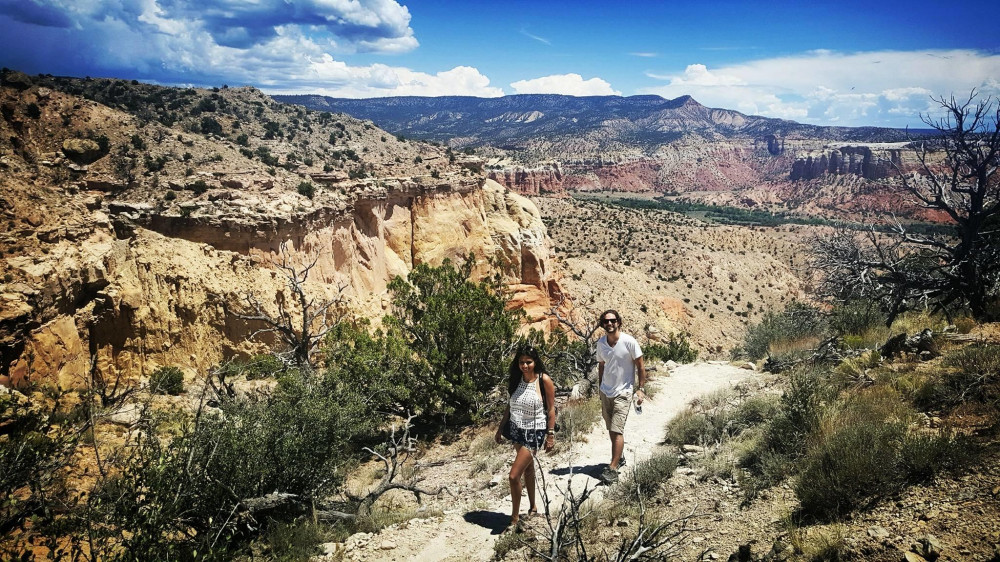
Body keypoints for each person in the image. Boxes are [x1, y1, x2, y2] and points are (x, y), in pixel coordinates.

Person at [495, 346, 556, 532]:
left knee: (514, 475)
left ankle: (514, 519)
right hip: (516, 429)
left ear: (535, 361)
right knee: (528, 470)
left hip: (534, 432)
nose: (525, 366)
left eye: (528, 362)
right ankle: (533, 507)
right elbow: (509, 405)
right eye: (521, 362)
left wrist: (550, 434)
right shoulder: (516, 380)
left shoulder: (543, 380)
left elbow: (551, 409)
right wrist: (500, 428)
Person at [595, 309, 646, 484]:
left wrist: (641, 389)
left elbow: (640, 366)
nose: (610, 324)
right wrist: (600, 387)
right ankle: (620, 457)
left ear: (619, 322)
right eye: (606, 321)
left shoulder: (629, 342)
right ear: (603, 324)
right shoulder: (601, 343)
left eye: (613, 320)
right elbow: (602, 365)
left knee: (617, 429)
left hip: (623, 392)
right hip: (606, 391)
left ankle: (613, 468)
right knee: (611, 428)